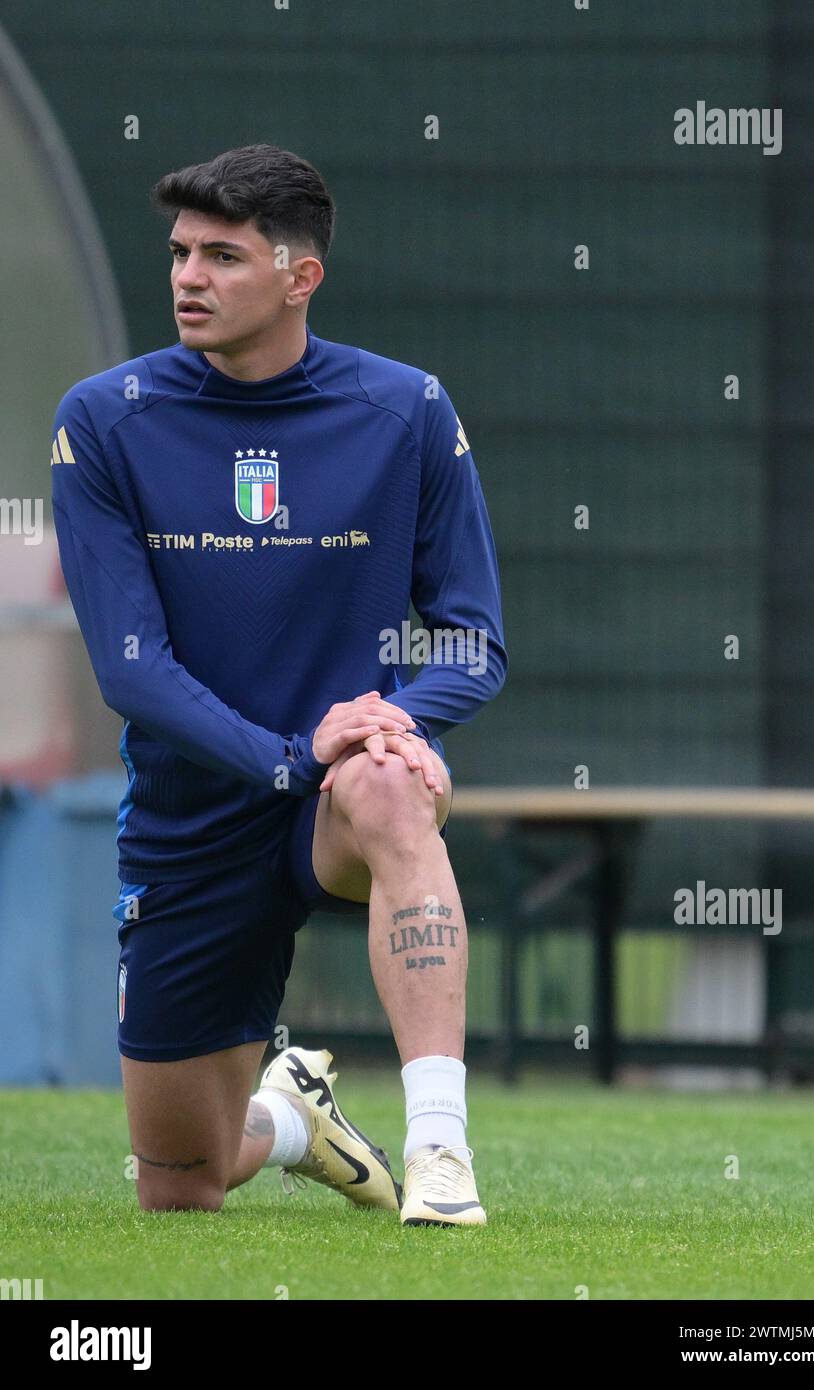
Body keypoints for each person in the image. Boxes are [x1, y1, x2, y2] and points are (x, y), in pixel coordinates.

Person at [50, 143, 507, 1227]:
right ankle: (296, 1118)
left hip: (336, 800)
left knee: (394, 781)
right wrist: (290, 753)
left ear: (300, 276)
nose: (187, 278)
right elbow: (128, 669)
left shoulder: (406, 410)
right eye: (178, 253)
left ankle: (440, 1150)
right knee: (182, 1184)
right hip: (192, 817)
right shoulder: (104, 418)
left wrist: (390, 720)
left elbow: (472, 640)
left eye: (222, 255)